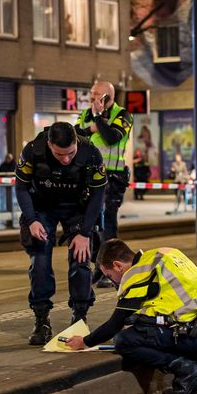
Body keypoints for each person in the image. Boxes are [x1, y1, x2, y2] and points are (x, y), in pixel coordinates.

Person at [63, 239, 197, 394]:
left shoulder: (138, 275)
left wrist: (85, 341)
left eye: (110, 275)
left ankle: (188, 370)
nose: (113, 281)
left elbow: (114, 323)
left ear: (118, 266)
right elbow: (163, 303)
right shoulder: (162, 255)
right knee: (142, 329)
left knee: (124, 340)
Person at [14, 122, 107, 345]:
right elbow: (21, 187)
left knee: (81, 259)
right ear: (49, 144)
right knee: (40, 260)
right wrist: (32, 219)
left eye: (70, 153)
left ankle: (80, 316)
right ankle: (41, 318)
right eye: (59, 154)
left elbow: (98, 194)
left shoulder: (91, 154)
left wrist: (85, 233)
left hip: (77, 208)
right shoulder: (33, 151)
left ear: (77, 143)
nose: (66, 159)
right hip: (41, 208)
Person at [75, 81, 133, 288]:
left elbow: (111, 137)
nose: (92, 98)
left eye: (96, 94)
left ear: (108, 96)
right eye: (91, 94)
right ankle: (97, 265)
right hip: (90, 176)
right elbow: (76, 136)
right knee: (90, 222)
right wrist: (93, 125)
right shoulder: (85, 114)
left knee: (108, 223)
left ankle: (111, 269)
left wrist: (97, 121)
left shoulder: (123, 115)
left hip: (113, 178)